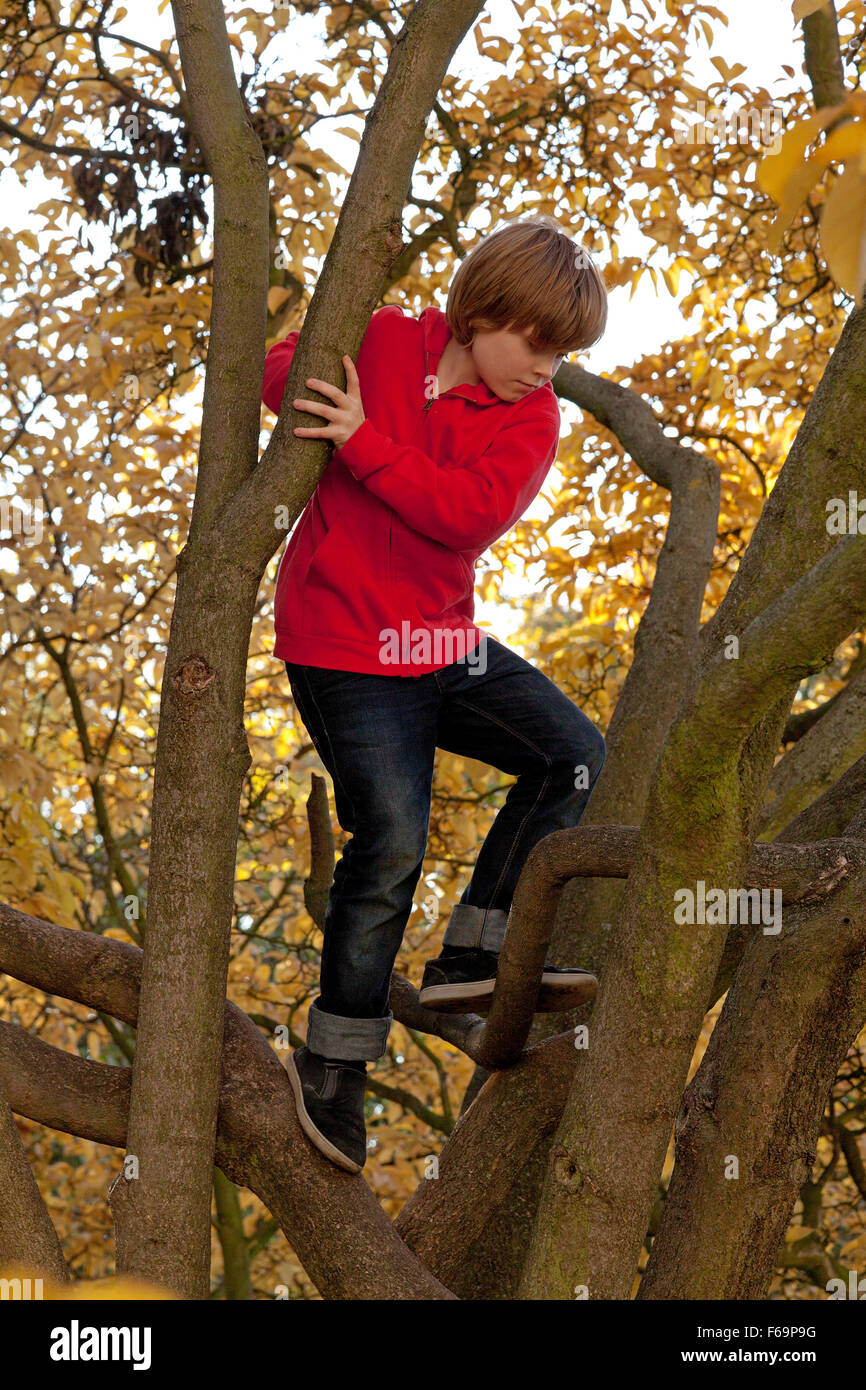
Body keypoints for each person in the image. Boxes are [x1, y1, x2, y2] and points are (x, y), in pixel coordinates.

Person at [261, 214, 609, 1173]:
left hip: (439, 643)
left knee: (576, 755)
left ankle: (471, 958)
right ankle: (334, 1071)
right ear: (483, 310)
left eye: (564, 353)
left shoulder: (530, 415)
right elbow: (274, 374)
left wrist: (363, 442)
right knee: (393, 846)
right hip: (341, 647)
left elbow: (465, 519)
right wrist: (317, 393)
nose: (547, 368)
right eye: (536, 342)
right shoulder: (377, 339)